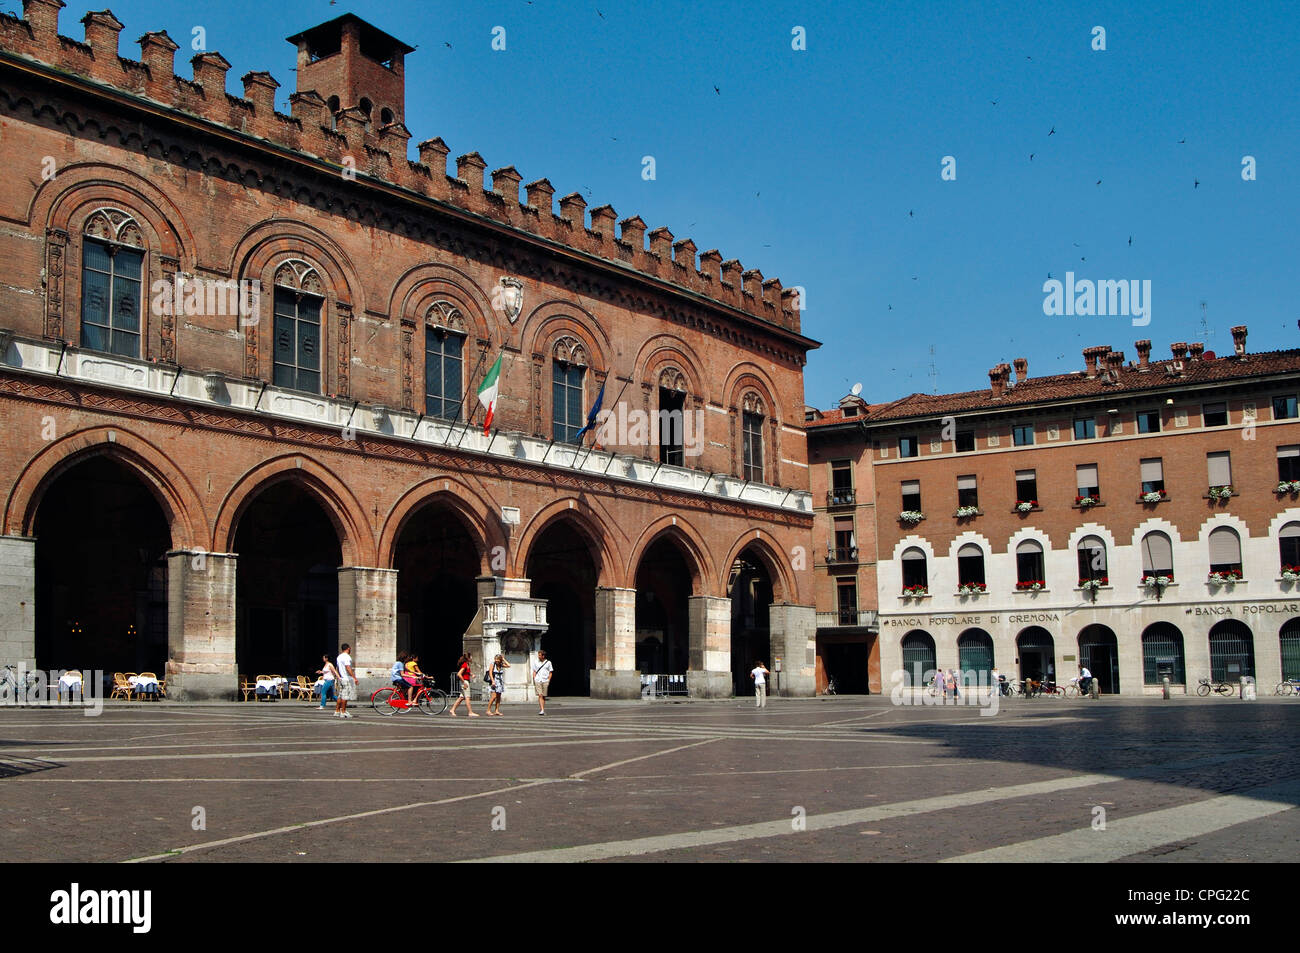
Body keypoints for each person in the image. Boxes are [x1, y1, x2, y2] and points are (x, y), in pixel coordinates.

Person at [448, 653, 479, 717]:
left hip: (465, 681)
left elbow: (467, 672)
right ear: (468, 658)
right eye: (471, 657)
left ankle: (452, 709)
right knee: (467, 697)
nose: (472, 658)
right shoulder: (465, 665)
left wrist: (471, 674)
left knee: (461, 697)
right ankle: (470, 712)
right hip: (465, 682)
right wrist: (464, 682)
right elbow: (459, 674)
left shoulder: (467, 665)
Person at [335, 643, 356, 719]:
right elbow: (348, 667)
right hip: (346, 678)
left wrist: (338, 677)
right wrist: (354, 677)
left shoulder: (339, 657)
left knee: (340, 695)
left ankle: (337, 711)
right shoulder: (347, 657)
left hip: (341, 678)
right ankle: (343, 712)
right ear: (348, 648)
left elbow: (337, 668)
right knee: (345, 696)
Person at [532, 650, 553, 715]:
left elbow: (551, 672)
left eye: (539, 655)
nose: (538, 656)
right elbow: (534, 671)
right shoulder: (536, 662)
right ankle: (542, 710)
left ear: (543, 656)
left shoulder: (548, 663)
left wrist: (548, 680)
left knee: (543, 696)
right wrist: (534, 678)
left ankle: (542, 708)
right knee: (540, 695)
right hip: (538, 680)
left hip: (545, 680)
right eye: (538, 655)